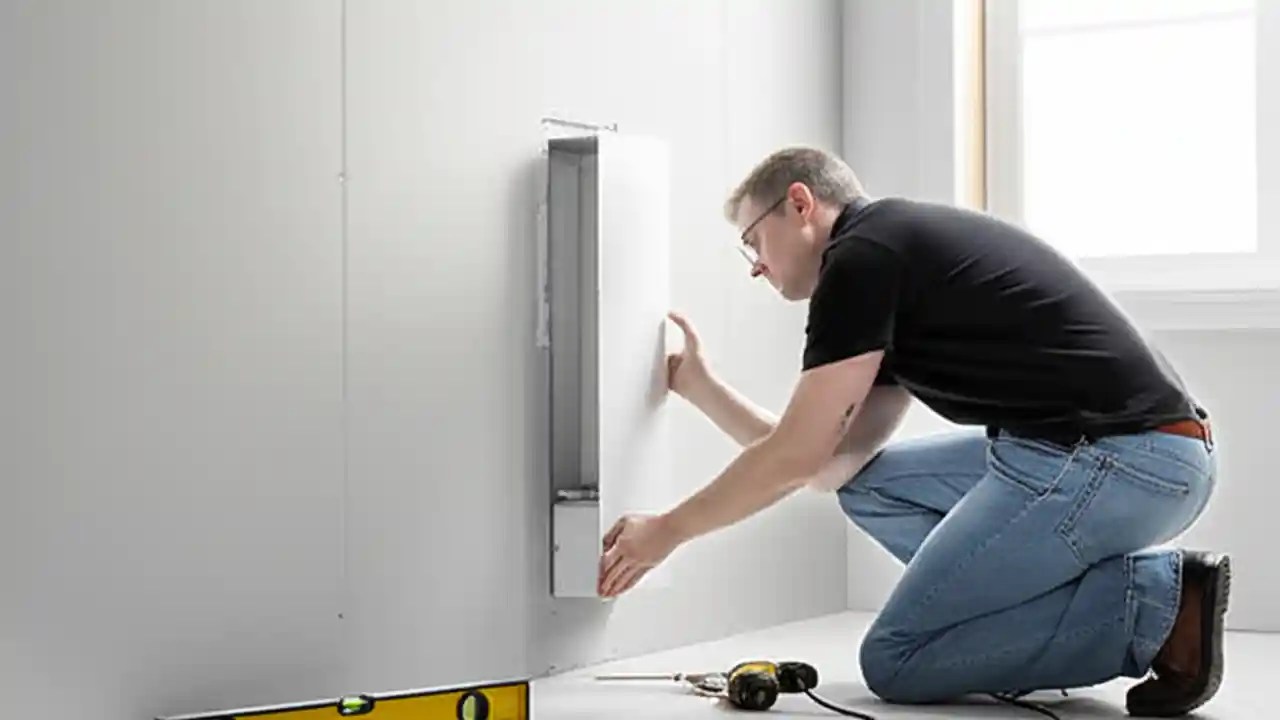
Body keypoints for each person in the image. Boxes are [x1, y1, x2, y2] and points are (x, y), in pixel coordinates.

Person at [596, 146, 1228, 716]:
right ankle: (1068, 602)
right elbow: (823, 464)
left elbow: (794, 456)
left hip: (1122, 461)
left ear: (799, 204)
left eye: (753, 242)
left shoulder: (862, 261)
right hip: (1105, 455)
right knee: (870, 488)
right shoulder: (893, 253)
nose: (755, 267)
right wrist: (701, 388)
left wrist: (667, 531)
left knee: (896, 658)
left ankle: (1152, 608)